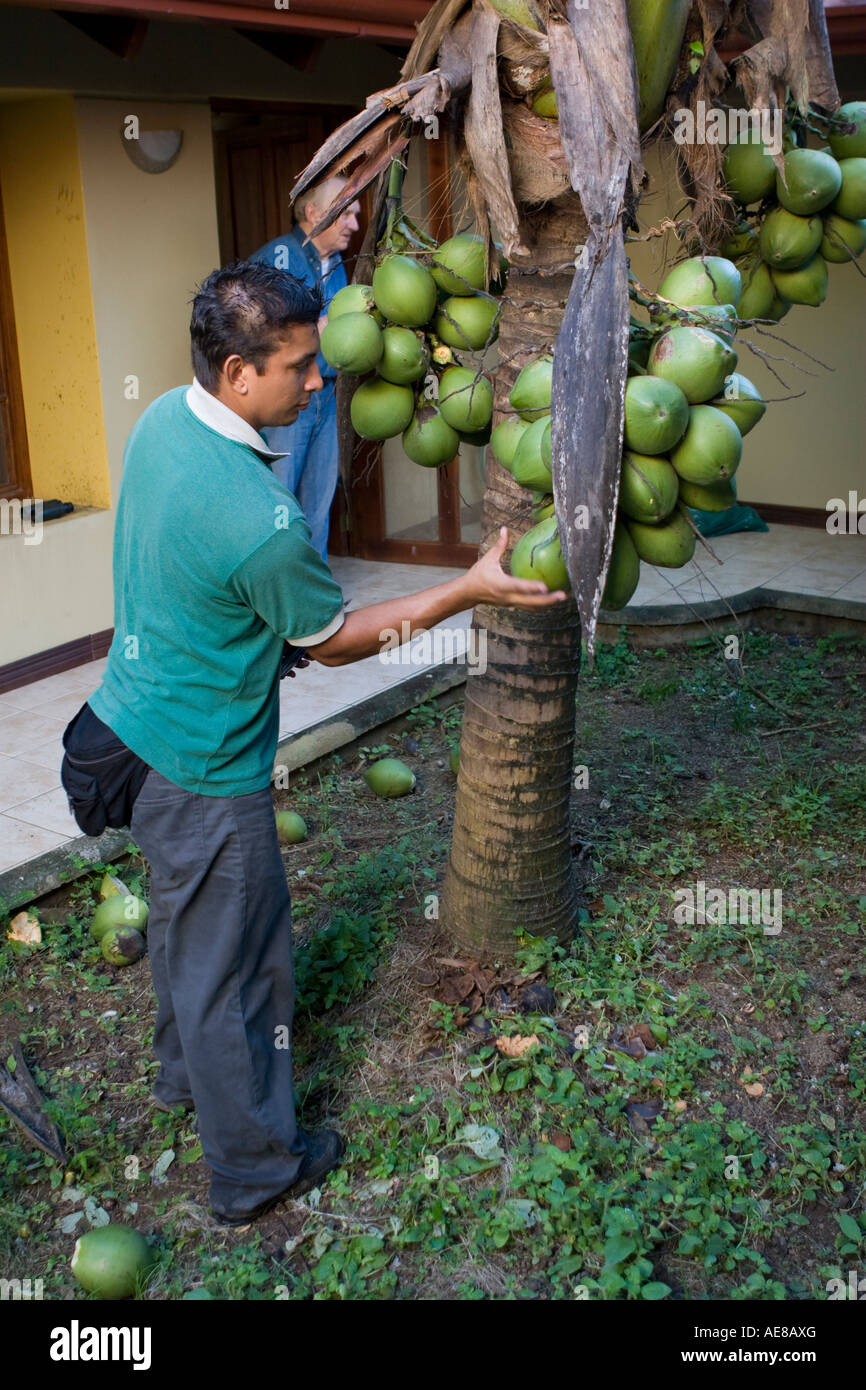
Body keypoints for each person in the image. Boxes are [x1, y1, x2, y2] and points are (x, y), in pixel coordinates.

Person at [59, 261, 568, 1228]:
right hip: (204, 769)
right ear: (241, 373)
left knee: (182, 930)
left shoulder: (165, 419)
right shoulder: (260, 520)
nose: (319, 381)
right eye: (299, 367)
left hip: (129, 730)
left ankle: (184, 1084)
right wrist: (467, 589)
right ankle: (254, 1168)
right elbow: (334, 644)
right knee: (239, 969)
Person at [250, 175, 360, 563]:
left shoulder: (338, 264)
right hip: (286, 400)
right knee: (280, 501)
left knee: (318, 501)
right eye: (346, 214)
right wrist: (318, 329)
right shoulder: (278, 258)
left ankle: (316, 602)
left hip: (327, 395)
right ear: (313, 213)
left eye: (355, 214)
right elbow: (254, 334)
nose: (354, 225)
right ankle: (280, 602)